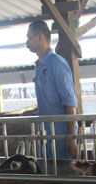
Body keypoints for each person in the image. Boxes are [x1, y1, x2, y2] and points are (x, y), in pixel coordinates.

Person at [26, 20, 78, 160]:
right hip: (46, 133)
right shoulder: (39, 66)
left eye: (29, 37)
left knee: (63, 177)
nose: (27, 43)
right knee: (48, 174)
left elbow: (70, 103)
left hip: (61, 134)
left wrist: (71, 137)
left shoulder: (57, 64)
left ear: (40, 37)